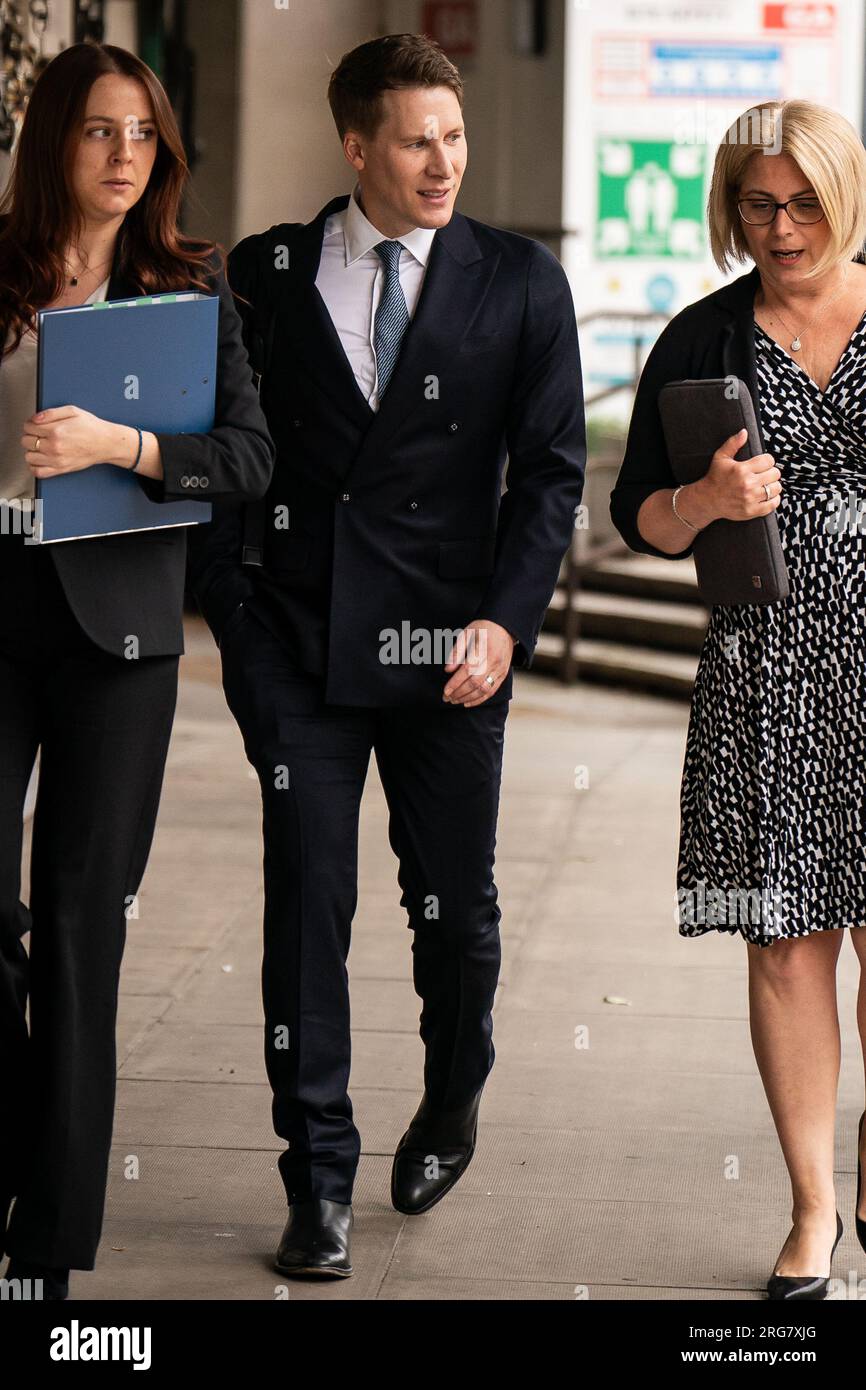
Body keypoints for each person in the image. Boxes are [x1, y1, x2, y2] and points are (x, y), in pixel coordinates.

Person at [188, 33, 585, 1278]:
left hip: (448, 652)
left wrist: (504, 623)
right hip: (298, 647)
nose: (441, 161)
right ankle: (317, 1179)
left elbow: (552, 477)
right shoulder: (267, 271)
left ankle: (452, 1093)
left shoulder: (517, 280)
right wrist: (238, 627)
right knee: (306, 914)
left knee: (454, 917)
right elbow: (227, 466)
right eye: (416, 138)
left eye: (453, 135)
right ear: (355, 144)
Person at [0, 43, 274, 1299]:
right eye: (101, 131)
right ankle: (21, 1131)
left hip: (118, 637)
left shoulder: (190, 288)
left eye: (145, 137)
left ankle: (46, 1245)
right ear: (53, 138)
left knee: (76, 931)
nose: (124, 156)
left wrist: (124, 443)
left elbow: (248, 460)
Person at [610, 98, 866, 1301]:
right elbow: (639, 521)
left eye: (802, 200)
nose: (780, 226)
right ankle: (811, 1210)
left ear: (843, 194)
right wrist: (703, 504)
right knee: (781, 947)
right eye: (757, 203)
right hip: (765, 674)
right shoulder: (700, 339)